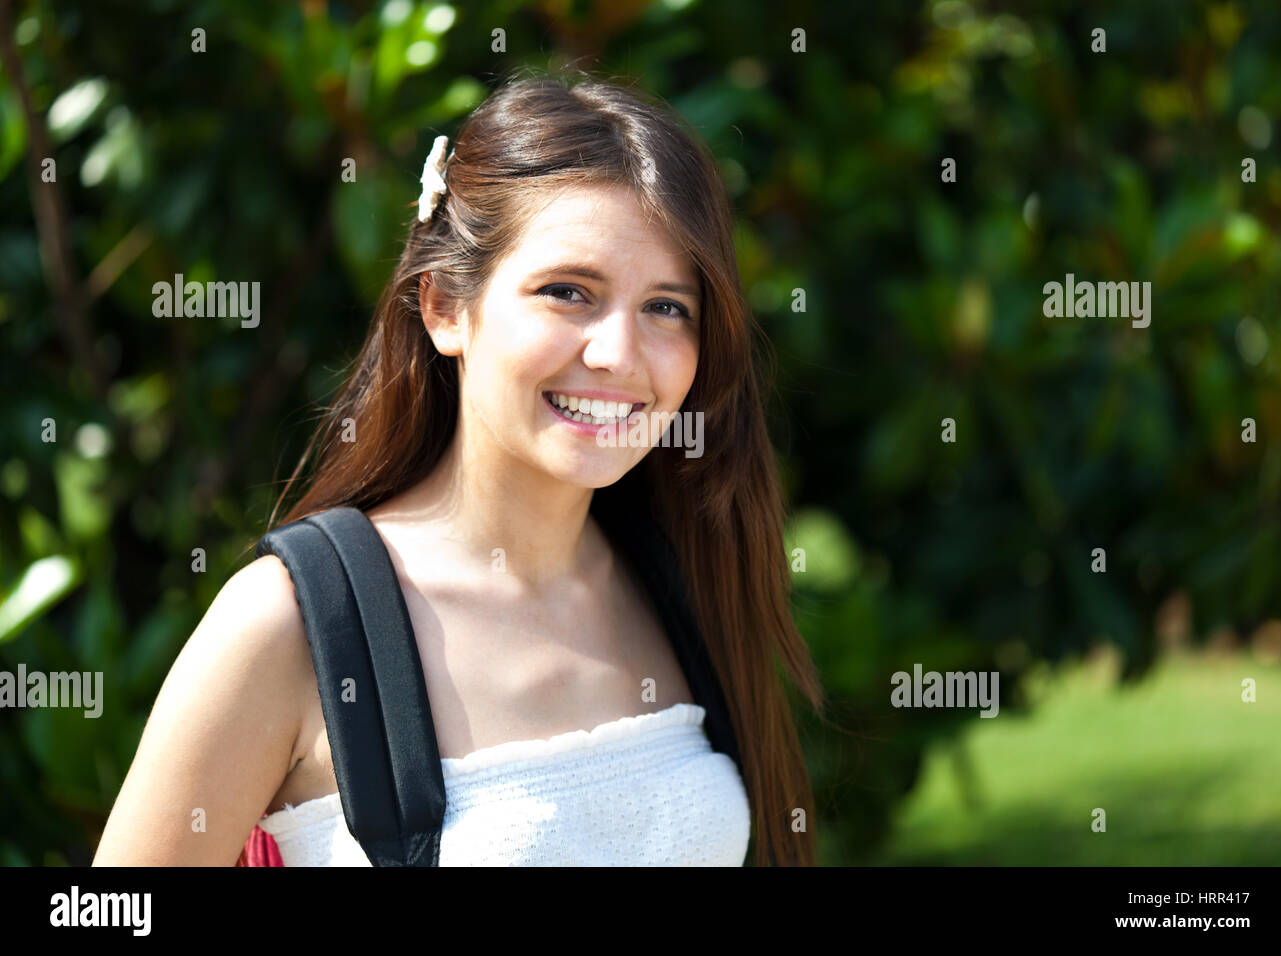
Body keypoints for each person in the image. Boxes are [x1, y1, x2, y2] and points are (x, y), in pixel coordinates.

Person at [93, 67, 824, 867]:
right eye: (567, 291)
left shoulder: (683, 572)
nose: (618, 354)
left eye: (666, 307)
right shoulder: (295, 623)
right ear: (444, 307)